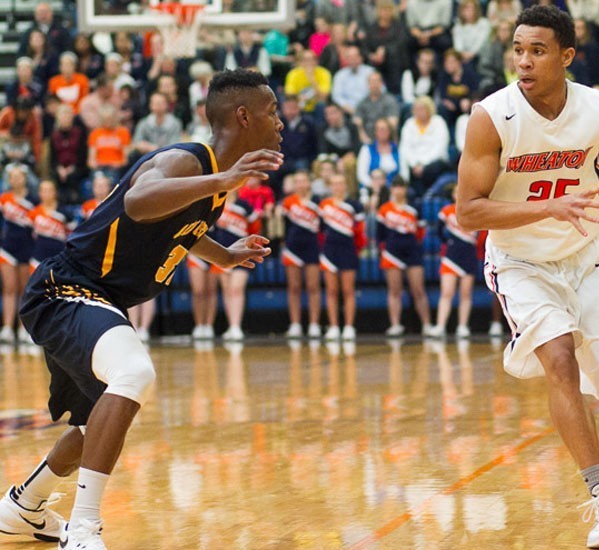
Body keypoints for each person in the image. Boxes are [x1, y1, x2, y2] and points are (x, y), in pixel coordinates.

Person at [0, 69, 281, 548]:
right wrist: (225, 177)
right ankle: (84, 529)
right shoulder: (189, 161)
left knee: (96, 428)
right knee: (134, 372)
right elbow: (139, 201)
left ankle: (21, 506)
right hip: (67, 288)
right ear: (243, 115)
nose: (279, 123)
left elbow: (184, 230)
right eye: (271, 112)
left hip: (95, 298)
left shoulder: (210, 185)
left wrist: (225, 255)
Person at [456, 7, 599, 547]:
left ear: (567, 56)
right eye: (518, 49)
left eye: (537, 50)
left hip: (587, 258)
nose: (524, 61)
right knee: (558, 358)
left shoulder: (598, 108)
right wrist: (548, 210)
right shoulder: (492, 116)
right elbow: (468, 213)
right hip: (520, 264)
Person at [377, 177, 433, 337]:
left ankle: (427, 324)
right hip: (392, 252)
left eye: (401, 187)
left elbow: (421, 232)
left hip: (412, 250)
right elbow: (380, 235)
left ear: (406, 189)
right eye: (396, 187)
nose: (398, 191)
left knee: (418, 289)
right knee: (394, 290)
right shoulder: (384, 209)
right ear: (391, 189)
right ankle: (395, 324)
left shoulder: (414, 208)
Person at [319, 173, 366, 341]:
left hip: (348, 249)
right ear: (330, 186)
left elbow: (360, 231)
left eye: (341, 183)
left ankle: (348, 326)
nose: (338, 187)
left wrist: (358, 249)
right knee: (331, 290)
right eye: (334, 184)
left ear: (346, 185)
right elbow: (320, 229)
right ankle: (333, 327)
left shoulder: (354, 205)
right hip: (329, 250)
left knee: (348, 290)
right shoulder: (324, 205)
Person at [210, 188, 260, 341]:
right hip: (221, 253)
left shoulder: (244, 206)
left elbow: (255, 227)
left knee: (236, 289)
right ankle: (231, 326)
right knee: (226, 290)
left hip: (241, 253)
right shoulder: (216, 205)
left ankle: (236, 326)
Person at [430, 185, 479, 339]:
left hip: (469, 253)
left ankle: (463, 326)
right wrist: (447, 242)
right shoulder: (446, 211)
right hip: (451, 255)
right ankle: (440, 326)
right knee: (446, 292)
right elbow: (438, 231)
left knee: (466, 293)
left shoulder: (474, 211)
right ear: (452, 195)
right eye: (456, 192)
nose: (459, 194)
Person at [279, 171, 323, 339]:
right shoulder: (288, 203)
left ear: (309, 183)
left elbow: (323, 226)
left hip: (312, 246)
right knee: (294, 287)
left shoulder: (317, 202)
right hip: (292, 247)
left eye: (303, 181)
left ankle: (314, 324)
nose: (300, 184)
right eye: (297, 181)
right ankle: (295, 324)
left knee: (313, 286)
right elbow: (283, 227)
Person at [0, 165, 37, 344]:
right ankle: (7, 328)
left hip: (27, 247)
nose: (16, 180)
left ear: (25, 178)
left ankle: (23, 328)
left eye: (19, 176)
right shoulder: (4, 198)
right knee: (9, 288)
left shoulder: (33, 200)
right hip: (7, 247)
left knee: (25, 289)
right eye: (12, 177)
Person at [399, 96, 451, 196]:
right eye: (416, 109)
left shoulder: (438, 122)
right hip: (414, 164)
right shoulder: (409, 124)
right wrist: (414, 163)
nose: (419, 112)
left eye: (422, 109)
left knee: (433, 169)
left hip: (433, 162)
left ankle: (430, 194)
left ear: (429, 109)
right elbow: (405, 147)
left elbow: (440, 147)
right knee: (405, 169)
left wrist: (423, 164)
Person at [28, 179, 76, 272]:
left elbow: (72, 235)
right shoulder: (33, 213)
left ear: (55, 192)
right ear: (39, 193)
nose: (47, 193)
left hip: (59, 256)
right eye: (44, 190)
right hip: (38, 255)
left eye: (50, 190)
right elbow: (29, 235)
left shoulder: (65, 213)